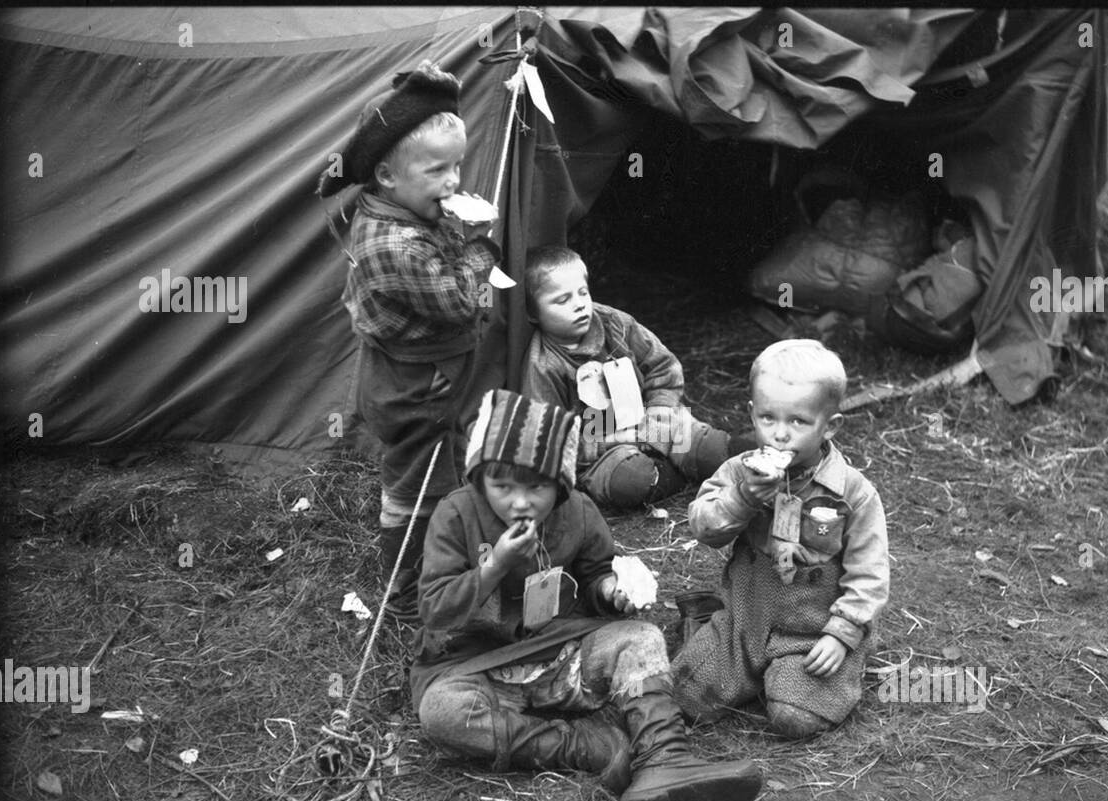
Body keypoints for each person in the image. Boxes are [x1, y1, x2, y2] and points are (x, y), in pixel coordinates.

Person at [412, 388, 763, 801]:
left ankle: (665, 757)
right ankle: (591, 746)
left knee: (642, 638)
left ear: (559, 486)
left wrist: (611, 590)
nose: (519, 502)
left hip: (563, 654)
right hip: (478, 665)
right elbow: (435, 609)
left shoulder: (577, 510)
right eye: (501, 486)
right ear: (479, 479)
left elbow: (595, 572)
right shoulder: (456, 514)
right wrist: (496, 564)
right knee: (441, 712)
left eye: (536, 487)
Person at [317, 62, 500, 622]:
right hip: (409, 386)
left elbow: (445, 251)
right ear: (388, 176)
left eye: (458, 166)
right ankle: (403, 589)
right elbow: (458, 300)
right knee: (413, 483)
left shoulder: (413, 213)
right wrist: (480, 247)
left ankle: (441, 555)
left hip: (430, 379)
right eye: (437, 170)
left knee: (436, 465)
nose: (453, 182)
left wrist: (457, 231)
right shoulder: (392, 243)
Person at [671, 340, 890, 738]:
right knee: (682, 695)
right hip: (745, 622)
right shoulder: (740, 471)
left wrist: (842, 633)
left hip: (809, 632)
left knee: (795, 717)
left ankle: (814, 669)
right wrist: (742, 500)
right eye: (768, 418)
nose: (779, 435)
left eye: (798, 422)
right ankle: (728, 649)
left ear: (830, 425)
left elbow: (870, 574)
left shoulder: (854, 493)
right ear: (752, 412)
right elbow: (702, 527)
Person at [520, 246, 753, 509]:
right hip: (604, 450)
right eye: (562, 300)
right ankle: (671, 474)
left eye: (583, 292)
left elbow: (663, 366)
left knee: (709, 448)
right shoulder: (543, 366)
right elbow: (552, 440)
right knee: (632, 481)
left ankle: (749, 452)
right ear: (532, 313)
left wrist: (659, 413)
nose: (579, 305)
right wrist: (613, 441)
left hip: (650, 421)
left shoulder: (614, 323)